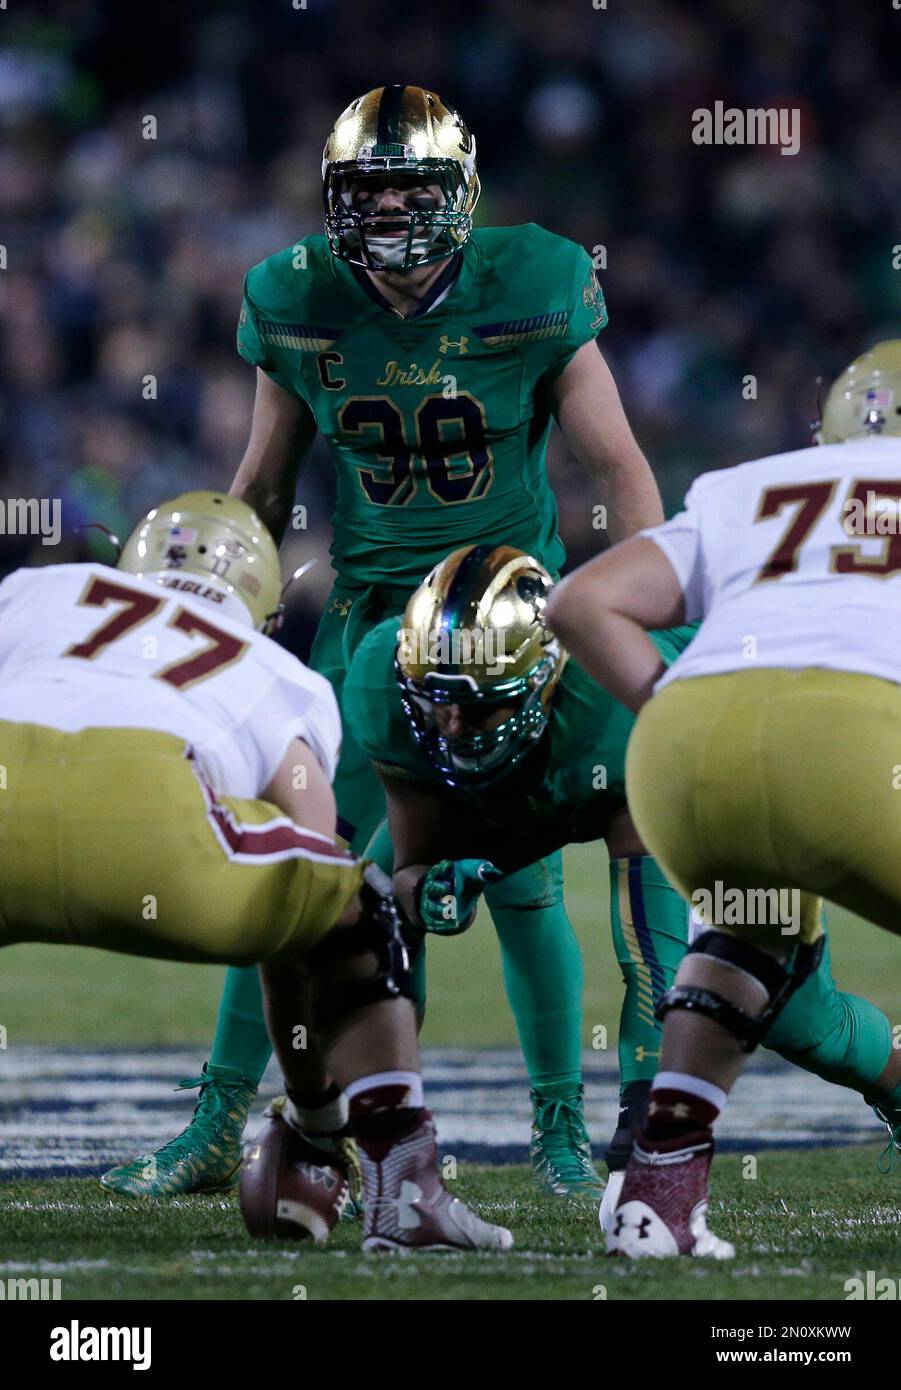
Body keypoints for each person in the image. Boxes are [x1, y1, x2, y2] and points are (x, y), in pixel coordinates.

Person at [102, 83, 664, 1199]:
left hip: (507, 614)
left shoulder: (536, 283)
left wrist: (648, 601)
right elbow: (259, 487)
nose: (394, 210)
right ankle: (220, 1123)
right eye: (371, 190)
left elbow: (617, 467)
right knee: (300, 872)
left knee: (525, 885)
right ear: (333, 198)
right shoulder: (298, 298)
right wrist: (219, 631)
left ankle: (559, 1130)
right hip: (367, 625)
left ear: (459, 195)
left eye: (414, 187)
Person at [0, 489, 511, 1252]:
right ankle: (396, 1183)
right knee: (350, 905)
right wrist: (312, 1113)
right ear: (266, 609)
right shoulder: (276, 668)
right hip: (152, 827)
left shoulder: (36, 590)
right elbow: (309, 867)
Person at [546, 341, 901, 1257]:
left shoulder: (750, 485)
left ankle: (657, 1194)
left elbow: (580, 604)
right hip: (858, 741)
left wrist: (677, 719)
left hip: (684, 755)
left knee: (744, 930)